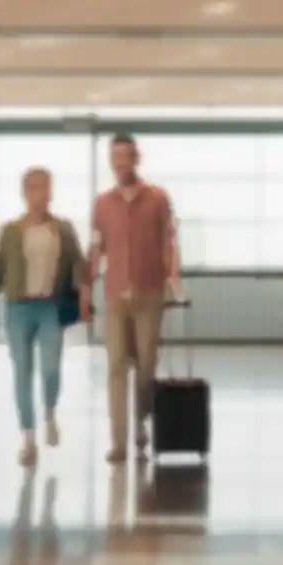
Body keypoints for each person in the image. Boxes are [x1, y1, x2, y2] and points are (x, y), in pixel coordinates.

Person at [87, 133, 184, 463]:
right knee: (116, 366)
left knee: (145, 365)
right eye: (115, 158)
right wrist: (86, 286)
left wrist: (174, 280)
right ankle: (118, 442)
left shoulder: (157, 198)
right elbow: (97, 247)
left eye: (125, 157)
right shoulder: (102, 204)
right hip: (115, 294)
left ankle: (141, 420)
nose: (119, 164)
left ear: (136, 159)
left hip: (149, 292)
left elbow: (169, 242)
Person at [0, 168, 90, 466]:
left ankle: (49, 412)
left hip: (50, 307)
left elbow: (79, 266)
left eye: (44, 188)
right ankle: (28, 437)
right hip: (18, 308)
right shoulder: (10, 230)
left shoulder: (62, 229)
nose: (39, 194)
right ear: (25, 193)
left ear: (50, 192)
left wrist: (84, 297)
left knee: (50, 368)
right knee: (22, 371)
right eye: (33, 188)